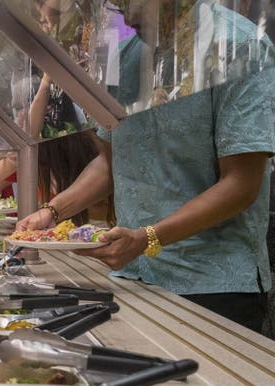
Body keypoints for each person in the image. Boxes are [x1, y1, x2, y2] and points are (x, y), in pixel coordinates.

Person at [17, 1, 275, 332]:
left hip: (213, 286)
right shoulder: (126, 59)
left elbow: (241, 184)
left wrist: (148, 237)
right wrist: (53, 213)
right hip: (134, 276)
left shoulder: (240, 45)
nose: (126, 15)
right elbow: (110, 163)